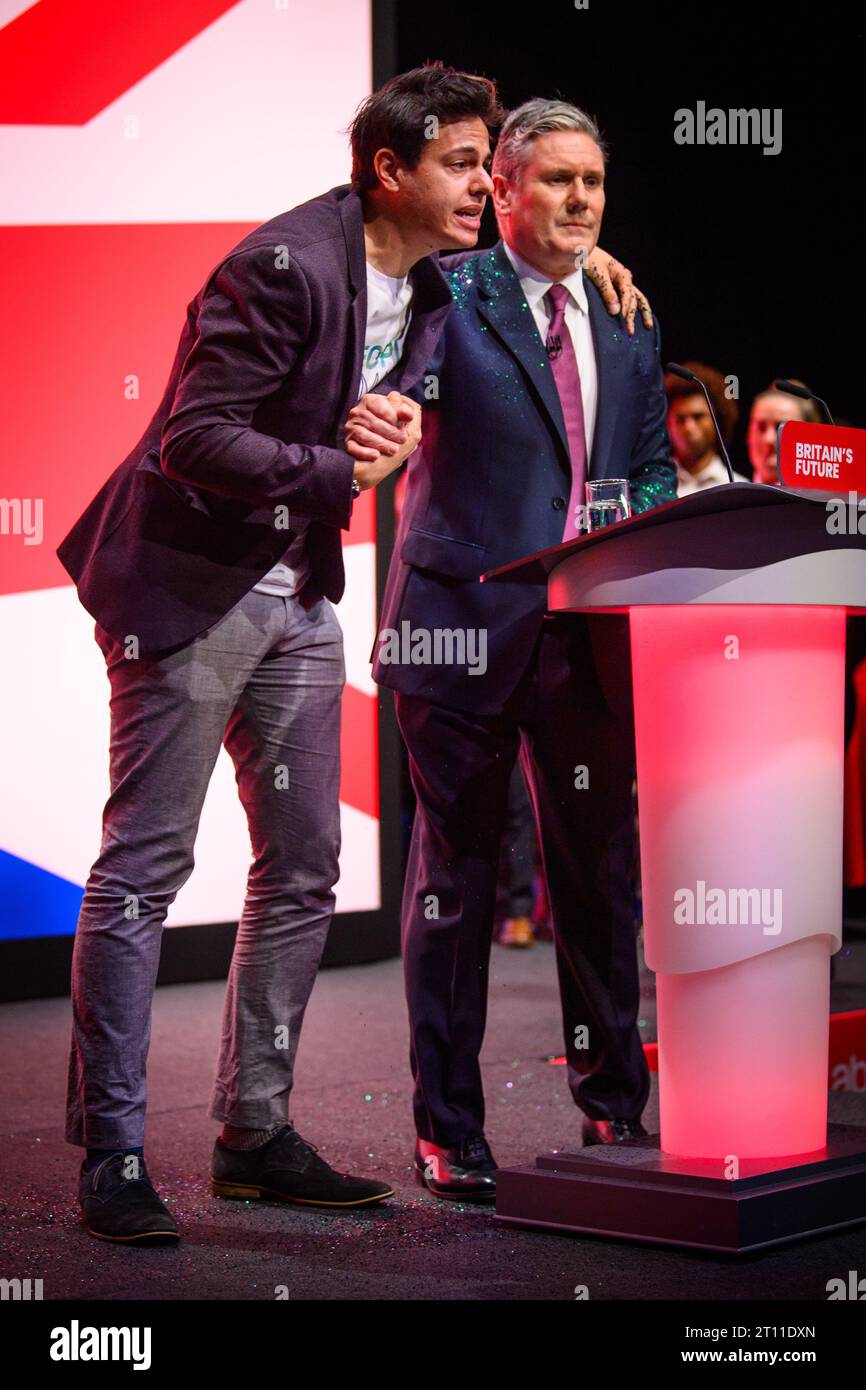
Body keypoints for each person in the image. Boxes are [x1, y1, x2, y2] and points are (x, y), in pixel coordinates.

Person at [55, 63, 508, 1243]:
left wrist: (399, 417)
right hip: (188, 584)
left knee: (303, 865)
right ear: (388, 168)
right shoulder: (284, 266)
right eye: (464, 163)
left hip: (299, 589)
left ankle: (254, 1132)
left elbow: (405, 379)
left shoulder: (437, 285)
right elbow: (194, 438)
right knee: (144, 868)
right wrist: (338, 472)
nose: (486, 184)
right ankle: (112, 1149)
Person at [349, 98, 676, 1201]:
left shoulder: (627, 317)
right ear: (501, 187)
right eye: (556, 182)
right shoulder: (447, 289)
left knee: (598, 880)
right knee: (457, 884)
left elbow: (646, 472)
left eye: (593, 183)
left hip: (585, 639)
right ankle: (447, 1128)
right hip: (456, 625)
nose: (580, 201)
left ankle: (613, 1110)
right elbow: (381, 299)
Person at [664, 360, 748, 492]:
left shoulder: (739, 487)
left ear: (717, 420)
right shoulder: (658, 484)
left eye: (698, 417)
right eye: (680, 419)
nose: (689, 427)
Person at [747, 378, 820, 484]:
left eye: (782, 427)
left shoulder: (829, 499)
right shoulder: (728, 496)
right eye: (761, 427)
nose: (769, 439)